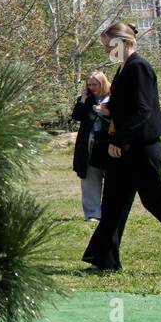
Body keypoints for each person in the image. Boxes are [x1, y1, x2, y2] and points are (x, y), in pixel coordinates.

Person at [82, 22, 161, 272]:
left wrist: (120, 140)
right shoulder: (125, 68)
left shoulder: (139, 67)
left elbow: (143, 109)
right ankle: (104, 260)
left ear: (126, 43)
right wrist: (111, 110)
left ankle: (103, 259)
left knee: (156, 199)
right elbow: (129, 106)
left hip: (140, 146)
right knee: (113, 202)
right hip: (124, 146)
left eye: (110, 45)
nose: (108, 50)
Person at [72, 71, 112, 221]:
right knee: (89, 177)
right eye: (89, 84)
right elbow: (76, 116)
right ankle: (93, 213)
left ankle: (109, 211)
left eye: (95, 84)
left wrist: (104, 111)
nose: (92, 87)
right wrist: (82, 99)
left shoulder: (113, 96)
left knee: (111, 177)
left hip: (108, 141)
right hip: (89, 140)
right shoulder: (86, 98)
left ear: (103, 83)